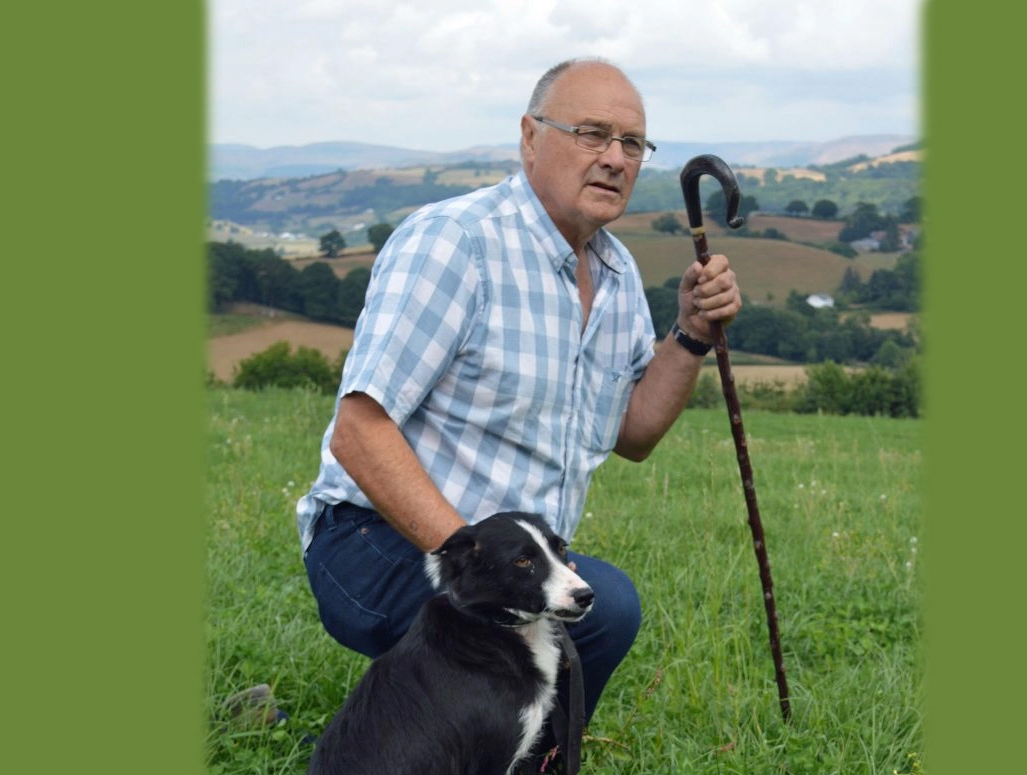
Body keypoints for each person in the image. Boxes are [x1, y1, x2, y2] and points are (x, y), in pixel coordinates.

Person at [295, 56, 741, 760]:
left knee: (608, 607)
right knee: (509, 639)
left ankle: (528, 750)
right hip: (377, 539)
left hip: (513, 558)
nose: (615, 158)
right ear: (530, 137)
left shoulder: (619, 277)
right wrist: (465, 560)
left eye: (632, 143)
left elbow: (634, 432)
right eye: (592, 133)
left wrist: (688, 334)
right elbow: (359, 431)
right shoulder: (456, 243)